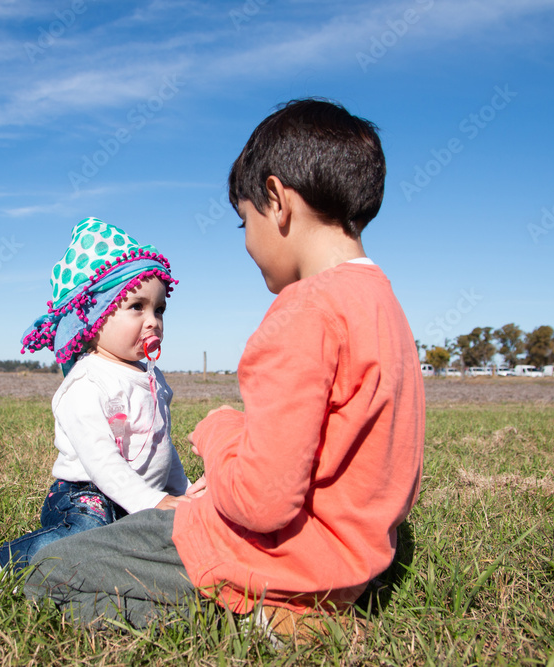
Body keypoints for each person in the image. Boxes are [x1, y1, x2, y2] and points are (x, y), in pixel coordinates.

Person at [22, 99, 426, 639]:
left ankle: (261, 617)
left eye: (244, 220)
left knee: (50, 575)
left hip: (282, 562)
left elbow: (262, 503)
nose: (245, 242)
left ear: (277, 201)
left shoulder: (302, 313)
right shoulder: (385, 305)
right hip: (359, 562)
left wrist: (220, 432)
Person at [0, 218, 193, 592]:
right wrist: (149, 501)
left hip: (138, 497)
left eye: (159, 310)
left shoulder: (151, 377)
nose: (153, 321)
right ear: (94, 316)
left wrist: (182, 492)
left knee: (158, 536)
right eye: (136, 307)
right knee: (85, 532)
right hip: (87, 494)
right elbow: (102, 462)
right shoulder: (86, 382)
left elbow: (163, 445)